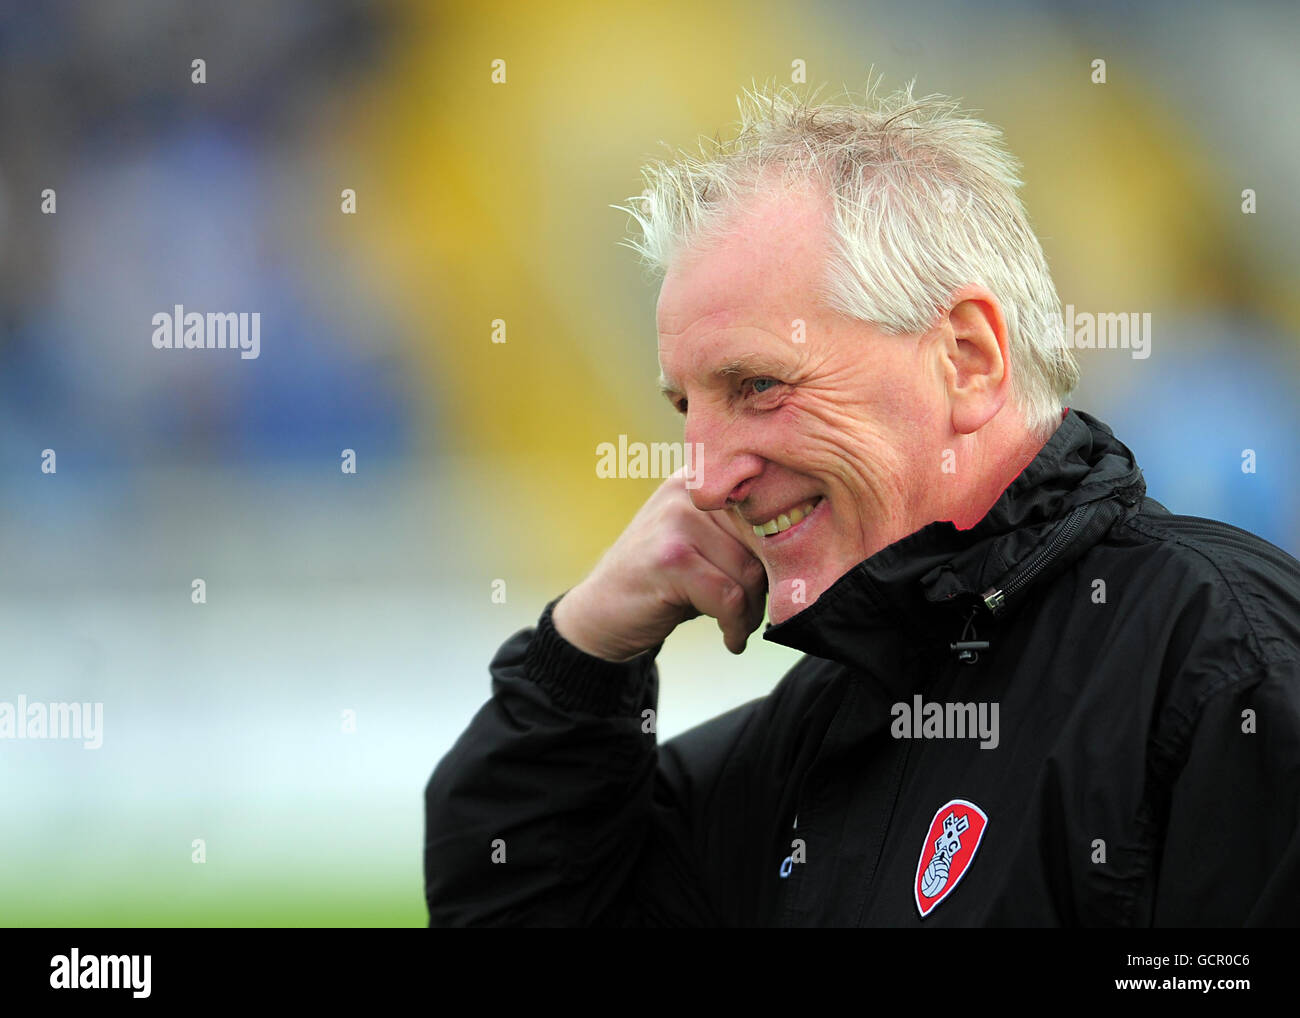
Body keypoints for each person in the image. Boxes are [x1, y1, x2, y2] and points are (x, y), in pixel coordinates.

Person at [424, 82, 1300, 926]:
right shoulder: (813, 732)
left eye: (759, 386)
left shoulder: (1224, 661)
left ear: (967, 360)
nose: (702, 478)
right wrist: (583, 655)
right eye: (687, 406)